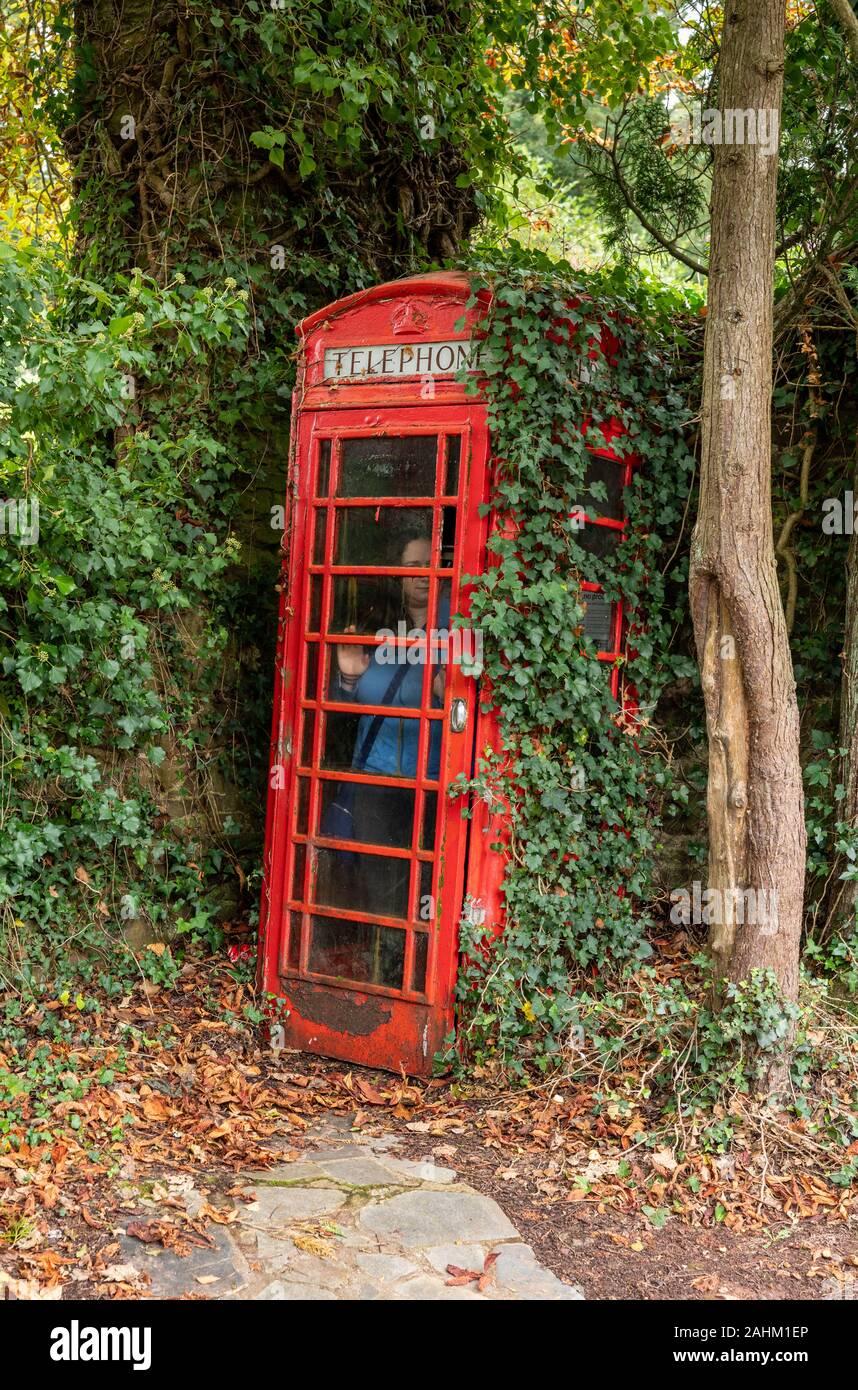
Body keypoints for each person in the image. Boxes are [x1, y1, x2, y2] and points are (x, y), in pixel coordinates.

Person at [320, 535, 449, 923]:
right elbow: (344, 709)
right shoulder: (379, 624)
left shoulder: (459, 628)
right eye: (412, 567)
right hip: (376, 778)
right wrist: (346, 678)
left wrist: (448, 694)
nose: (423, 575)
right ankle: (385, 946)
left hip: (432, 778)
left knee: (425, 878)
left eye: (431, 564)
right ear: (399, 574)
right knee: (379, 877)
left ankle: (414, 961)